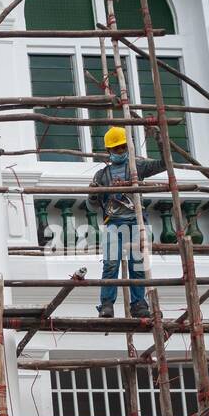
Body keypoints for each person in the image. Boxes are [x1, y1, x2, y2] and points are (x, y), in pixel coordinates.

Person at [87, 125, 166, 319]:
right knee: (111, 265)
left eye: (123, 147)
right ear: (109, 151)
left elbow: (165, 163)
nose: (120, 151)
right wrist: (93, 194)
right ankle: (107, 304)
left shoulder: (138, 167)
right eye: (116, 149)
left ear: (128, 148)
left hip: (136, 223)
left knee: (137, 265)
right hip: (113, 223)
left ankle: (139, 304)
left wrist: (160, 140)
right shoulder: (102, 175)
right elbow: (92, 206)